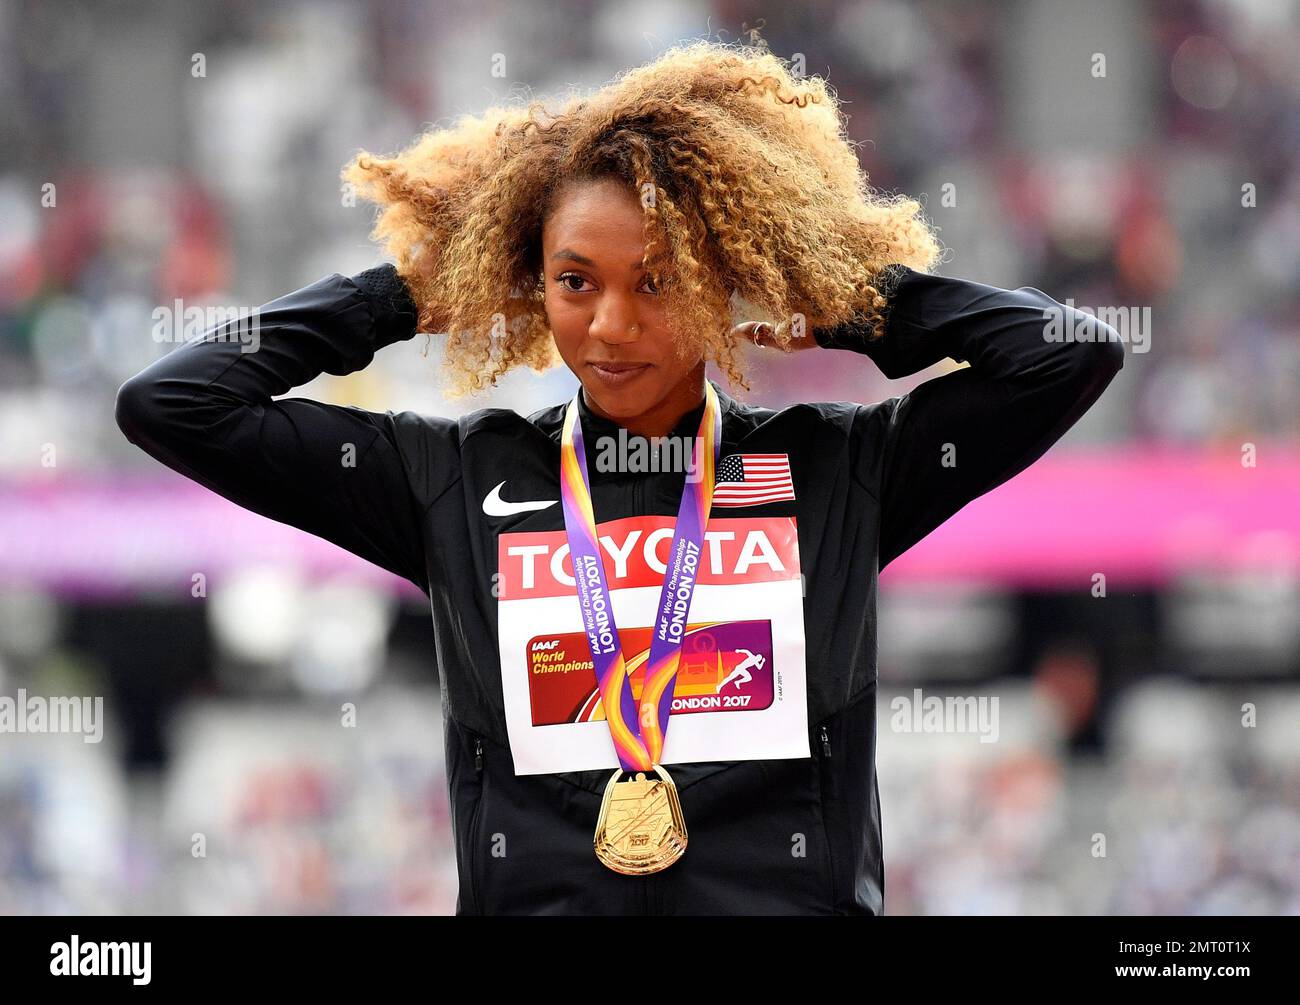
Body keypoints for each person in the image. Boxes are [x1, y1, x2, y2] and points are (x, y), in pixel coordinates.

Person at [114, 40, 1124, 914]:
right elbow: (175, 404)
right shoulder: (453, 481)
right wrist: (399, 295)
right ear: (529, 279)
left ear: (726, 273)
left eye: (658, 281)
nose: (609, 325)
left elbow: (1067, 352)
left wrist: (843, 298)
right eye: (572, 281)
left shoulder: (836, 468)